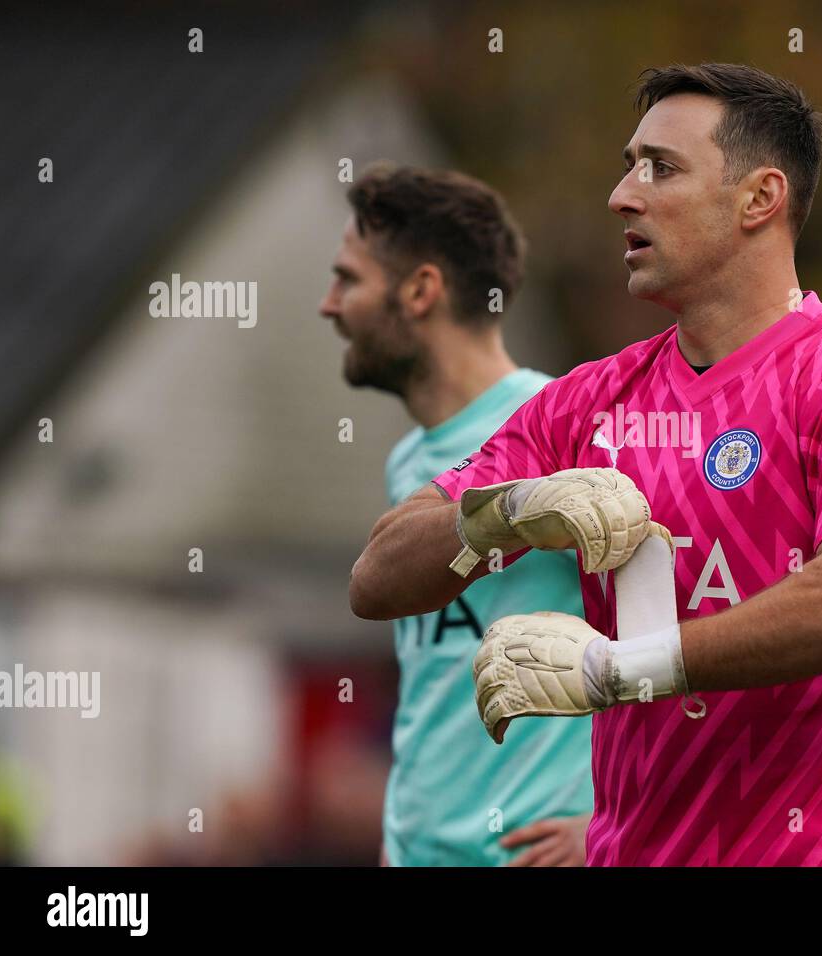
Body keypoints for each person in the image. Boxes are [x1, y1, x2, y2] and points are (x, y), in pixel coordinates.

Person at [349, 64, 822, 866]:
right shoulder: (589, 401)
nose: (622, 195)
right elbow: (377, 579)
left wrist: (614, 668)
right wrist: (503, 512)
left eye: (660, 168)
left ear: (759, 199)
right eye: (628, 164)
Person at [321, 163, 591, 866]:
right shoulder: (411, 463)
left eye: (347, 279)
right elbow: (436, 684)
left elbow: (687, 633)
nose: (328, 304)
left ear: (420, 291)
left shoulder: (564, 427)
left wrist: (612, 825)